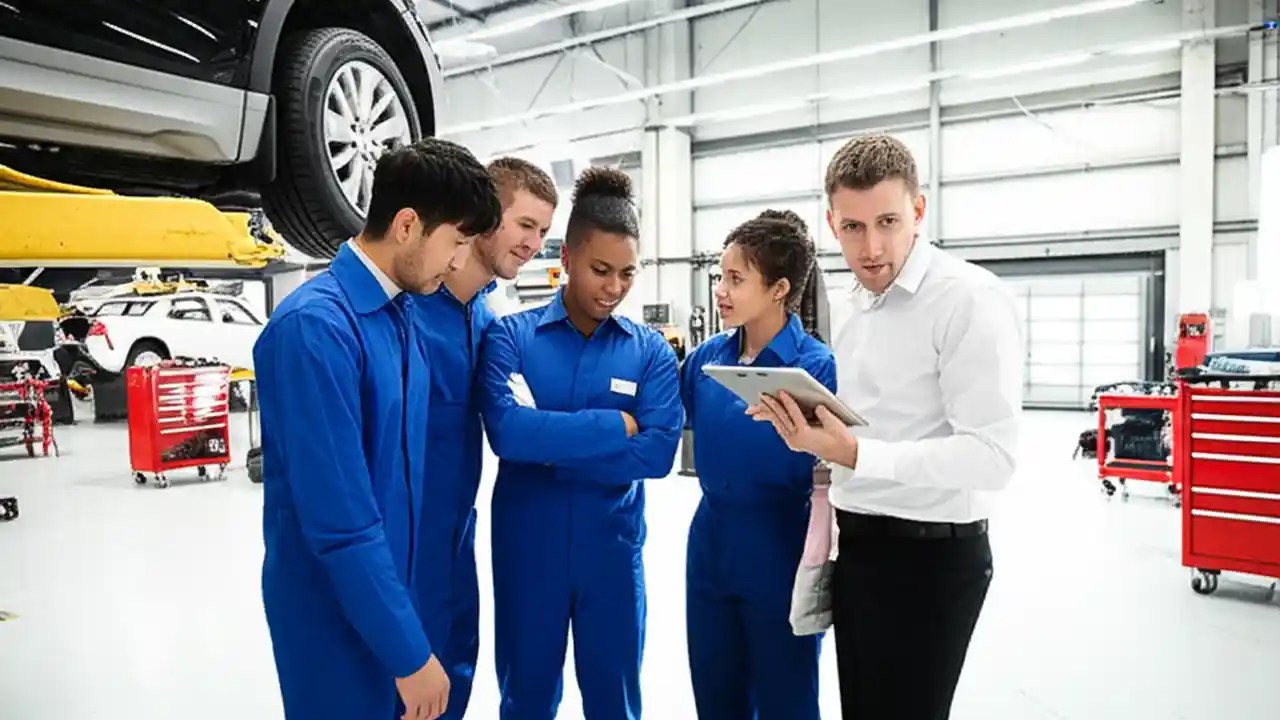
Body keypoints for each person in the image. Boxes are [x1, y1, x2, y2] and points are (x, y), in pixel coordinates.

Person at [748, 134, 1024, 719]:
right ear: (831, 223)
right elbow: (864, 425)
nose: (870, 247)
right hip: (861, 551)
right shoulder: (852, 308)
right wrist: (804, 423)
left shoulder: (967, 299)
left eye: (888, 222)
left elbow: (992, 456)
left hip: (934, 560)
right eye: (851, 227)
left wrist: (855, 453)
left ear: (918, 211)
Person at [253, 139, 502, 720]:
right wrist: (409, 654)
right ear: (409, 225)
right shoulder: (316, 331)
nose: (460, 262)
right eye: (457, 242)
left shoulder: (402, 316)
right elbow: (340, 522)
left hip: (397, 599)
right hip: (333, 619)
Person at [476, 167, 683, 720]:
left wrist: (549, 438)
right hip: (528, 554)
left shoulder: (651, 354)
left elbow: (660, 453)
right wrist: (616, 426)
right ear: (565, 259)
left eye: (627, 274)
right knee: (526, 701)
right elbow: (508, 433)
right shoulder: (511, 337)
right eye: (599, 270)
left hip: (611, 558)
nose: (613, 288)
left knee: (614, 704)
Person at [412, 156, 559, 719]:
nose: (534, 244)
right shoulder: (411, 311)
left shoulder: (488, 321)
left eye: (544, 232)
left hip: (457, 540)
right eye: (525, 225)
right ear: (484, 214)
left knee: (455, 683)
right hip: (405, 540)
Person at [680, 209, 834, 720]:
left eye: (736, 280)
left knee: (785, 695)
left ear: (778, 289)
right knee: (715, 690)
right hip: (710, 546)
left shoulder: (813, 368)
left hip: (779, 548)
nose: (721, 290)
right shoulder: (704, 361)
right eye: (721, 278)